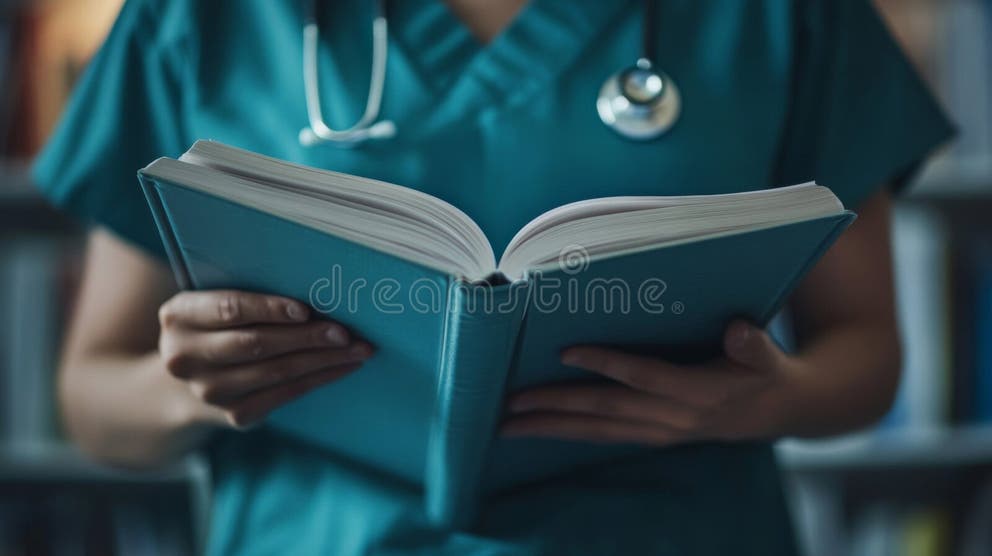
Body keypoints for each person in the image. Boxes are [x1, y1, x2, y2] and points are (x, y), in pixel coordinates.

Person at [33, 0, 953, 554]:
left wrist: (769, 399)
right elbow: (93, 398)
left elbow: (867, 355)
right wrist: (191, 389)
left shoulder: (787, 17)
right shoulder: (203, 17)